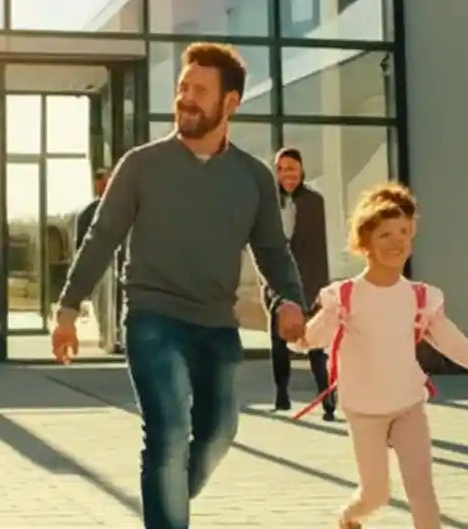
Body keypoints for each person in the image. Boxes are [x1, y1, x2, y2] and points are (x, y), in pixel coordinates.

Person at [52, 42, 307, 529]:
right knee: (168, 433)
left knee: (218, 432)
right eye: (182, 87)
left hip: (215, 321)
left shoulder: (252, 177)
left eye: (199, 90)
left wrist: (289, 299)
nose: (186, 98)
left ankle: (165, 507)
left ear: (230, 103)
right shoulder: (142, 165)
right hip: (153, 317)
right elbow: (102, 238)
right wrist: (68, 309)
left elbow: (273, 251)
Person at [293, 182, 468, 529]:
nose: (397, 241)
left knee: (421, 489)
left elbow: (454, 343)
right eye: (385, 234)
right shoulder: (345, 295)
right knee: (376, 495)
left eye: (404, 232)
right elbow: (315, 336)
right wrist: (296, 335)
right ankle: (348, 517)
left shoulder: (419, 297)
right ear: (365, 242)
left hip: (407, 405)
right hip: (364, 409)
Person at [262, 147, 334, 418]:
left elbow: (317, 249)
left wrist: (318, 289)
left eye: (291, 168)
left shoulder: (314, 202)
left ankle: (327, 399)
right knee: (279, 344)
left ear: (302, 170)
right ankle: (281, 396)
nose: (286, 174)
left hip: (309, 282)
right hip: (278, 284)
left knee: (315, 344)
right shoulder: (268, 203)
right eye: (281, 169)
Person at [73, 168, 117, 350]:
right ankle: (107, 336)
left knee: (112, 302)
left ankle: (112, 336)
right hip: (100, 265)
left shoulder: (115, 207)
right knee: (102, 302)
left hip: (114, 265)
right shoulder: (90, 211)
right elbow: (82, 241)